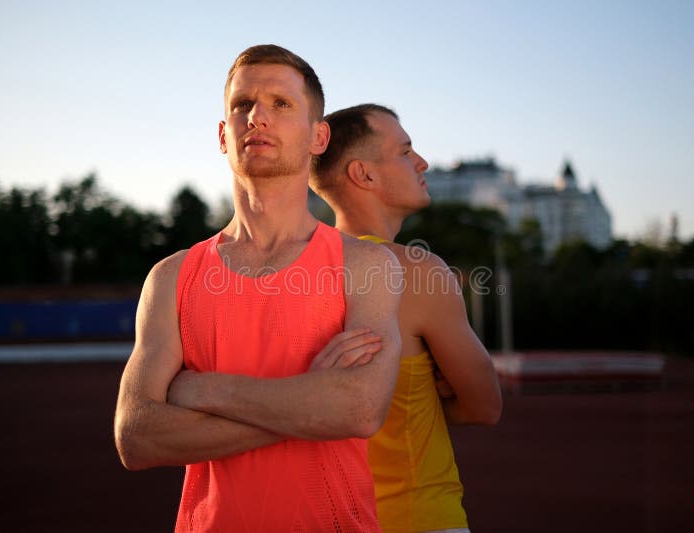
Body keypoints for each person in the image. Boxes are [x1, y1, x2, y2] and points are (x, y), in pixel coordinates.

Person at [114, 46, 402, 532]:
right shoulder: (171, 277)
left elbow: (358, 409)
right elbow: (137, 437)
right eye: (241, 104)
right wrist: (311, 405)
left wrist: (202, 389)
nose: (257, 117)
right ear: (223, 135)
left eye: (281, 104)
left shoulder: (366, 264)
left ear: (318, 136)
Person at [310, 104, 503, 533]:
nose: (422, 162)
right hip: (418, 518)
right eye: (405, 150)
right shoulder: (416, 270)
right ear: (365, 174)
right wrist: (433, 395)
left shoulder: (293, 275)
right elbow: (485, 404)